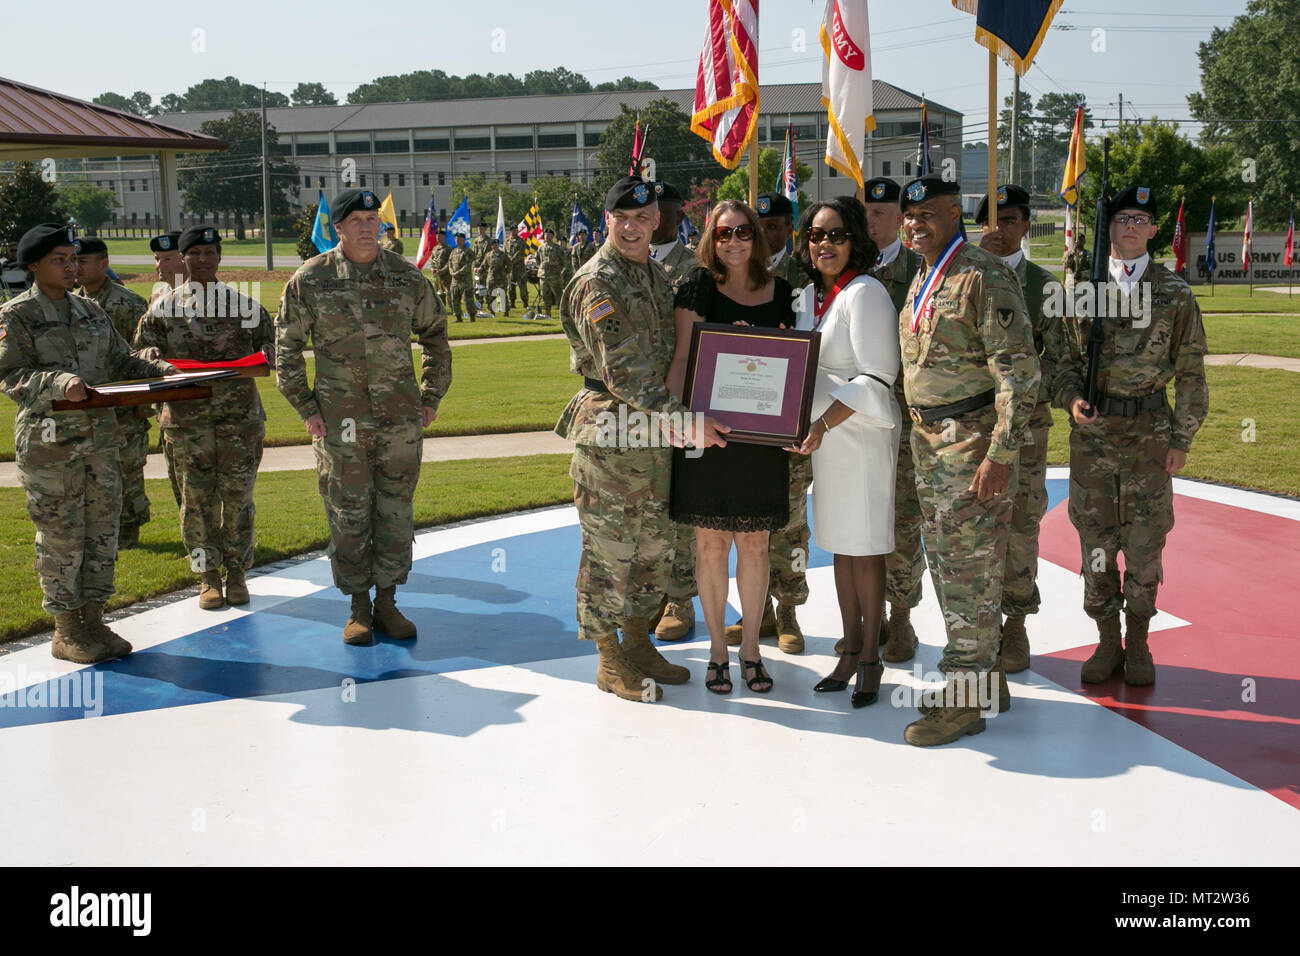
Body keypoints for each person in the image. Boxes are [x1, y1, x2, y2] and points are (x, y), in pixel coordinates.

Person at [555, 175, 728, 702]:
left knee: (654, 548)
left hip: (653, 437)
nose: (631, 228)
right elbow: (623, 372)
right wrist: (688, 419)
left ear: (657, 221)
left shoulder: (653, 274)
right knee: (610, 551)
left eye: (642, 218)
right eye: (621, 218)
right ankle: (609, 658)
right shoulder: (597, 282)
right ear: (607, 220)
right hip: (612, 435)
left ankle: (638, 640)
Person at [896, 175, 1040, 746]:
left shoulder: (984, 275)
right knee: (955, 570)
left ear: (956, 214)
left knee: (968, 574)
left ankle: (964, 700)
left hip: (971, 444)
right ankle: (985, 681)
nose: (915, 223)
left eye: (927, 213)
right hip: (932, 446)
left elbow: (1018, 373)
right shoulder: (928, 274)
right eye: (909, 215)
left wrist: (1000, 454)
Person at [276, 188, 452, 644]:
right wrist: (306, 408)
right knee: (348, 513)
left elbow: (434, 333)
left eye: (373, 218)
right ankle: (357, 606)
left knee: (395, 511)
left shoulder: (405, 277)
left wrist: (431, 395)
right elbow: (286, 348)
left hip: (400, 420)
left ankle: (389, 603)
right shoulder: (310, 280)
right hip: (339, 422)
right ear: (338, 228)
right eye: (356, 219)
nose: (368, 226)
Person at [1052, 184, 1208, 687]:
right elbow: (1060, 362)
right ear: (1109, 229)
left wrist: (1181, 439)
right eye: (1123, 219)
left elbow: (1191, 373)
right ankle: (1106, 640)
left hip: (1149, 433)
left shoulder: (1175, 293)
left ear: (1155, 230)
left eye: (1142, 219)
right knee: (1095, 544)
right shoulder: (1081, 289)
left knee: (1145, 546)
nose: (1132, 227)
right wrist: (1072, 400)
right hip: (1094, 438)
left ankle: (1138, 639)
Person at [0, 223, 174, 662]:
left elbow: (121, 359)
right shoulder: (14, 316)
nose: (70, 266)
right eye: (59, 259)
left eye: (73, 259)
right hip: (51, 447)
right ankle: (66, 630)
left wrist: (157, 366)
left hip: (101, 440)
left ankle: (94, 621)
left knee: (101, 532)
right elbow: (10, 375)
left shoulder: (90, 310)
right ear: (33, 266)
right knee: (62, 536)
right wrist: (58, 382)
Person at [666, 201, 794, 693]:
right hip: (707, 432)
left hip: (762, 439)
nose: (734, 241)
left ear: (756, 238)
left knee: (757, 544)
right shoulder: (697, 285)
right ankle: (719, 649)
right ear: (710, 239)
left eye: (744, 232)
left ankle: (752, 649)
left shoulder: (782, 291)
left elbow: (793, 361)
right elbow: (681, 360)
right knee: (712, 543)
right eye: (724, 234)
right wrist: (682, 421)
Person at [785, 197, 900, 707]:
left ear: (856, 238)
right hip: (827, 440)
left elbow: (877, 378)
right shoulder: (816, 296)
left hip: (860, 438)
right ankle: (850, 650)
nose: (823, 243)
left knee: (866, 546)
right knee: (842, 546)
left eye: (835, 234)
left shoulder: (865, 293)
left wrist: (822, 424)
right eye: (814, 235)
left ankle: (872, 656)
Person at [134, 225, 273, 611]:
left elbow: (273, 341)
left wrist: (269, 352)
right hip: (186, 420)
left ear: (220, 257)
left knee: (239, 498)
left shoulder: (244, 305)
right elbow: (141, 353)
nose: (203, 259)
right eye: (194, 253)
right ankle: (208, 577)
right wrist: (159, 366)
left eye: (210, 252)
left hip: (239, 418)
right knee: (196, 502)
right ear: (184, 259)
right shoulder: (162, 309)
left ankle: (238, 574)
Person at [976, 184, 1063, 673]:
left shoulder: (1043, 288)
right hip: (969, 426)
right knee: (973, 529)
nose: (998, 230)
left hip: (1025, 430)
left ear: (1026, 226)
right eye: (989, 220)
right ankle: (975, 628)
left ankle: (1016, 625)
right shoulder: (963, 278)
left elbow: (1062, 360)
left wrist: (1020, 386)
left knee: (1021, 525)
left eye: (1009, 220)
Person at [723, 190, 813, 654]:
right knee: (745, 520)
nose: (768, 234)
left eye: (776, 225)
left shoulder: (804, 277)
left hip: (786, 420)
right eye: (760, 227)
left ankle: (789, 611)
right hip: (738, 422)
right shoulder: (733, 271)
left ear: (788, 228)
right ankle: (751, 613)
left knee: (790, 520)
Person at [857, 176, 926, 662]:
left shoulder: (921, 273)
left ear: (899, 219)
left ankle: (901, 618)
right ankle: (869, 618)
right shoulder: (846, 272)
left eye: (881, 212)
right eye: (865, 211)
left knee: (902, 522)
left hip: (905, 421)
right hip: (857, 420)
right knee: (862, 519)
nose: (870, 220)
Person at [72, 237, 152, 549]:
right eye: (72, 261)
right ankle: (99, 532)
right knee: (91, 473)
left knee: (128, 470)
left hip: (123, 405)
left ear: (104, 263)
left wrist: (141, 405)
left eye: (83, 261)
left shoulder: (128, 303)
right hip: (85, 404)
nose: (76, 267)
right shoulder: (72, 302)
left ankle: (130, 530)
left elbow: (143, 355)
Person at [646, 179, 698, 643]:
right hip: (638, 405)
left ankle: (680, 598)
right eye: (649, 209)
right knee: (645, 504)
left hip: (686, 401)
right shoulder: (624, 265)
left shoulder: (698, 268)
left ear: (680, 214)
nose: (657, 217)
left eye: (665, 208)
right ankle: (648, 595)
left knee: (683, 504)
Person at [148, 230, 187, 508]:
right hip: (167, 406)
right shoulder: (158, 296)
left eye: (169, 258)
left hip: (202, 402)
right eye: (157, 259)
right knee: (177, 477)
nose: (161, 266)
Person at [536, 228, 566, 318]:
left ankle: (563, 313)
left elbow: (563, 261)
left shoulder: (557, 248)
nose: (547, 236)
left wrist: (558, 270)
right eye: (545, 235)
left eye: (549, 235)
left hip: (555, 276)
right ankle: (547, 313)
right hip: (543, 275)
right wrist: (542, 268)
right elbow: (538, 259)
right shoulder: (541, 248)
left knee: (558, 295)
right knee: (545, 295)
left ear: (552, 236)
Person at [447, 232, 474, 322]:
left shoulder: (468, 252)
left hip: (465, 280)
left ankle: (472, 317)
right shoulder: (453, 251)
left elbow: (468, 265)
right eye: (455, 239)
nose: (457, 240)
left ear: (463, 240)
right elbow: (449, 263)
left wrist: (458, 273)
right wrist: (451, 272)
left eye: (459, 239)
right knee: (454, 299)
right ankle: (458, 317)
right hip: (455, 280)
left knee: (468, 299)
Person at [484, 237, 511, 315]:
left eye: (496, 245)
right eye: (493, 245)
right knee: (491, 295)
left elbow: (509, 264)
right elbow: (484, 265)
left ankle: (506, 311)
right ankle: (492, 311)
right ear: (491, 246)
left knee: (503, 295)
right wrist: (488, 271)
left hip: (501, 278)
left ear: (498, 245)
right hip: (491, 278)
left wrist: (506, 272)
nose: (495, 246)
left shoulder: (503, 255)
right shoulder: (488, 255)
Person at [505, 229, 529, 311]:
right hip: (510, 269)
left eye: (515, 231)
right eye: (512, 231)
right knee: (511, 287)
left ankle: (525, 303)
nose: (514, 232)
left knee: (522, 286)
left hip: (520, 268)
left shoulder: (521, 241)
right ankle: (512, 303)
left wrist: (511, 261)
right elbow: (505, 253)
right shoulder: (507, 241)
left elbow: (520, 253)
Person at [430, 235, 452, 300]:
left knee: (448, 294)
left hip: (446, 276)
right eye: (436, 237)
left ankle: (452, 309)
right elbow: (433, 260)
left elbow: (450, 262)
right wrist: (432, 268)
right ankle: (441, 309)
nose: (437, 238)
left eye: (439, 236)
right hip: (437, 276)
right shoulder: (435, 249)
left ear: (444, 237)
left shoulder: (448, 248)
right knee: (438, 295)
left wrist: (442, 270)